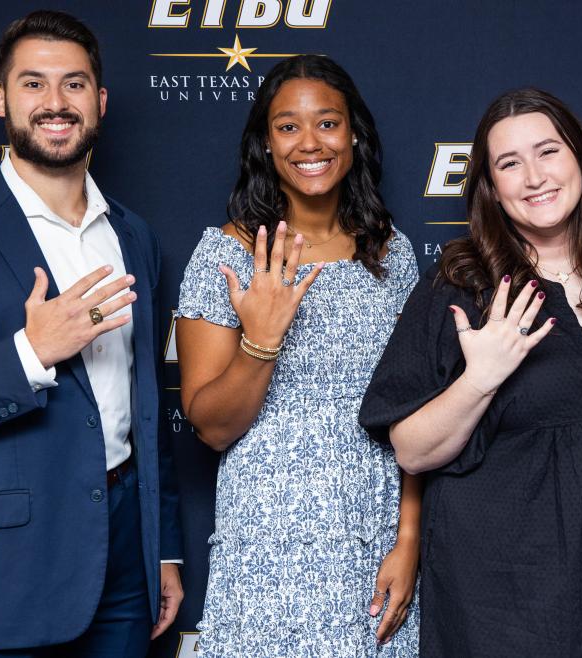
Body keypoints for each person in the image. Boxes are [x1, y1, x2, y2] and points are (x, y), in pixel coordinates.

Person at [360, 88, 582, 656]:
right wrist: (481, 378)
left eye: (548, 152)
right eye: (509, 164)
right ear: (491, 189)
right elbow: (412, 450)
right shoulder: (461, 286)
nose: (534, 177)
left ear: (580, 158)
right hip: (509, 604)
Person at [0, 10, 184, 657]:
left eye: (74, 84)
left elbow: (143, 412)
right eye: (33, 84)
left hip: (122, 568)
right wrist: (29, 354)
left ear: (100, 101)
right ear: (1, 99)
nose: (55, 102)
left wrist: (162, 549)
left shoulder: (133, 237)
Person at [175, 55, 420, 657]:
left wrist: (410, 537)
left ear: (354, 135)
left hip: (374, 527)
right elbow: (209, 425)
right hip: (268, 538)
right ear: (265, 143)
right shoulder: (225, 255)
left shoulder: (393, 255)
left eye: (328, 123)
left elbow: (419, 410)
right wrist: (262, 339)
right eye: (288, 126)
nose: (310, 143)